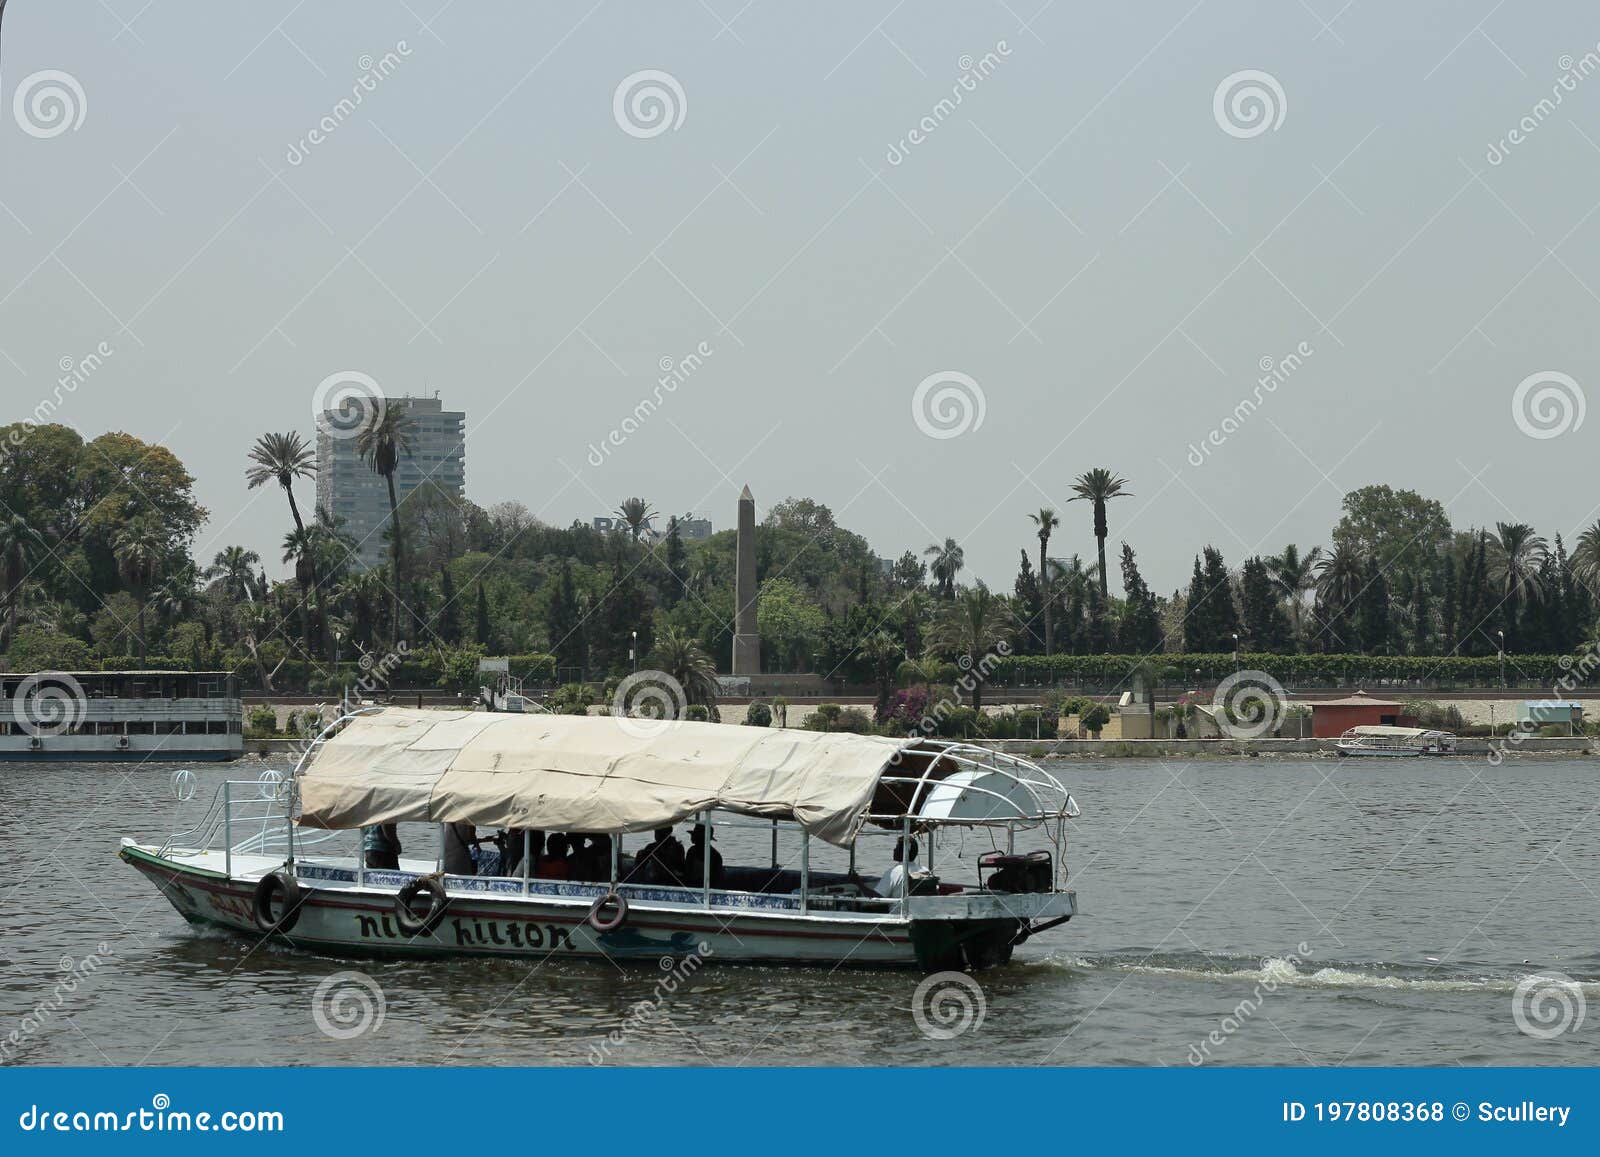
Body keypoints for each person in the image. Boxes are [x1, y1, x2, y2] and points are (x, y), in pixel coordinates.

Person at [683, 823, 725, 890]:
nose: (692, 837)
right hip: (691, 887)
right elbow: (687, 874)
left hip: (707, 890)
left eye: (694, 835)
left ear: (702, 838)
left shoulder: (715, 856)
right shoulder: (691, 851)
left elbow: (716, 880)